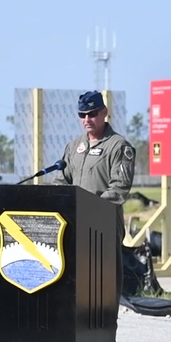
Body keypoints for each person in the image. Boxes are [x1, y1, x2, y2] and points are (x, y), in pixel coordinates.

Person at [53, 90, 136, 294]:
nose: (87, 119)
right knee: (76, 284)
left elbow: (119, 189)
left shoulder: (118, 146)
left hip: (103, 224)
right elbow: (61, 181)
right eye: (82, 115)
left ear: (104, 112)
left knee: (103, 285)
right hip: (73, 224)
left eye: (92, 113)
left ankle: (105, 323)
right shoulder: (74, 146)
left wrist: (88, 209)